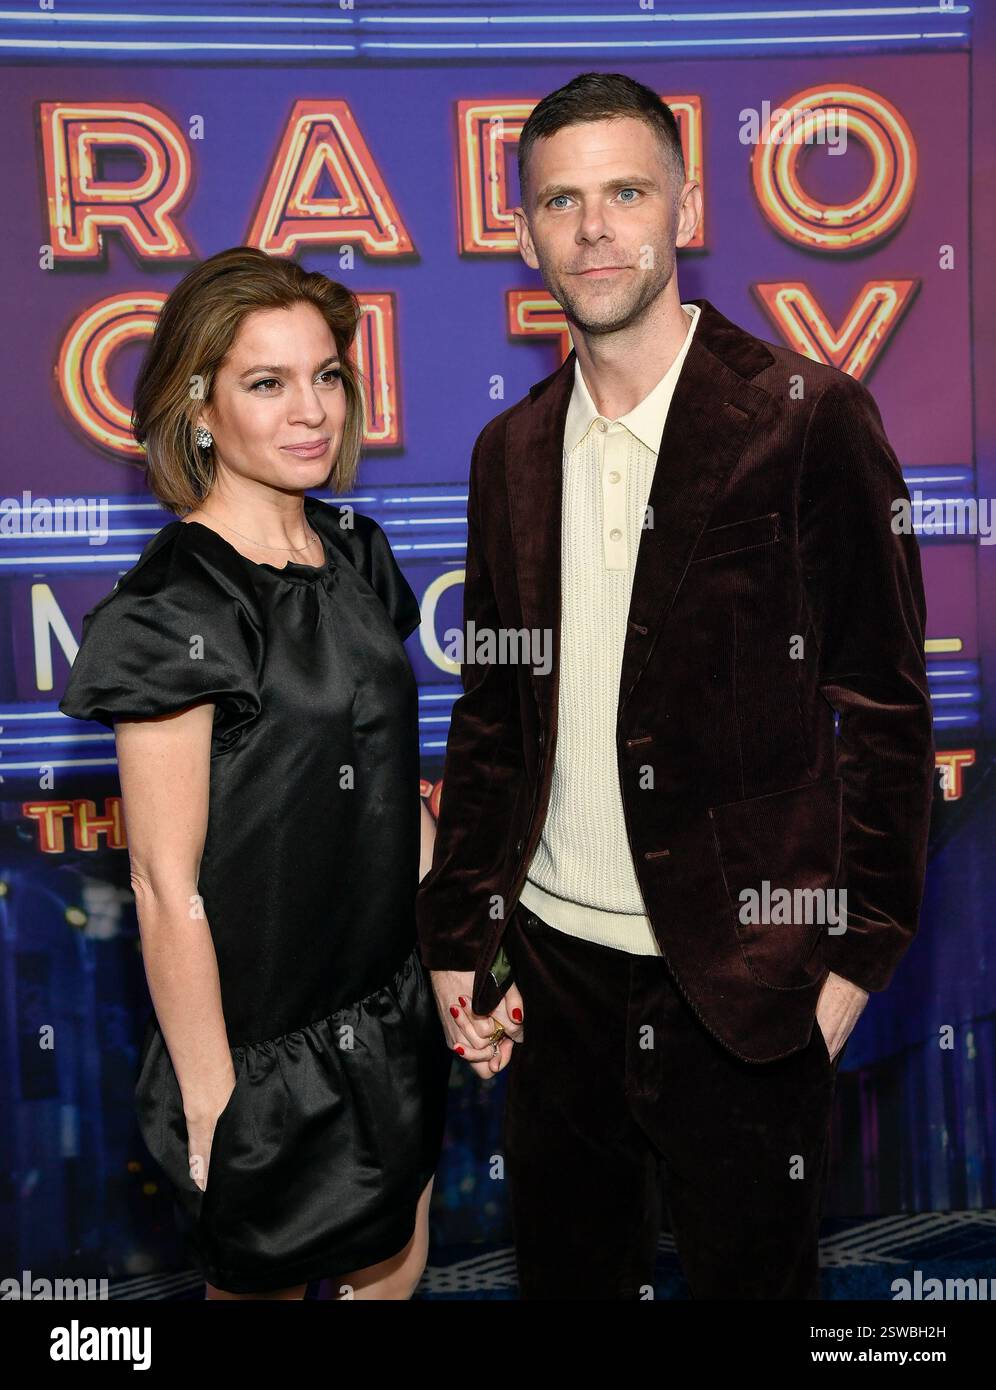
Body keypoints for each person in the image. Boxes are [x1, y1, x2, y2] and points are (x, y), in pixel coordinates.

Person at [415, 72, 936, 1299]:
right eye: (561, 200)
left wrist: (854, 962)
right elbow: (497, 709)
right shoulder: (510, 450)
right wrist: (462, 932)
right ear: (525, 230)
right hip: (555, 979)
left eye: (626, 190)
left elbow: (885, 708)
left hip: (746, 980)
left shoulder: (808, 417)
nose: (594, 227)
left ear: (686, 205)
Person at [59, 246, 452, 1300]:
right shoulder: (175, 610)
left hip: (392, 1016)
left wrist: (468, 967)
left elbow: (392, 795)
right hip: (261, 1059)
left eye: (326, 375)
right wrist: (212, 1100)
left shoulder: (362, 555)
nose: (311, 409)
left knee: (397, 1272)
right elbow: (162, 884)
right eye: (266, 382)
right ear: (199, 406)